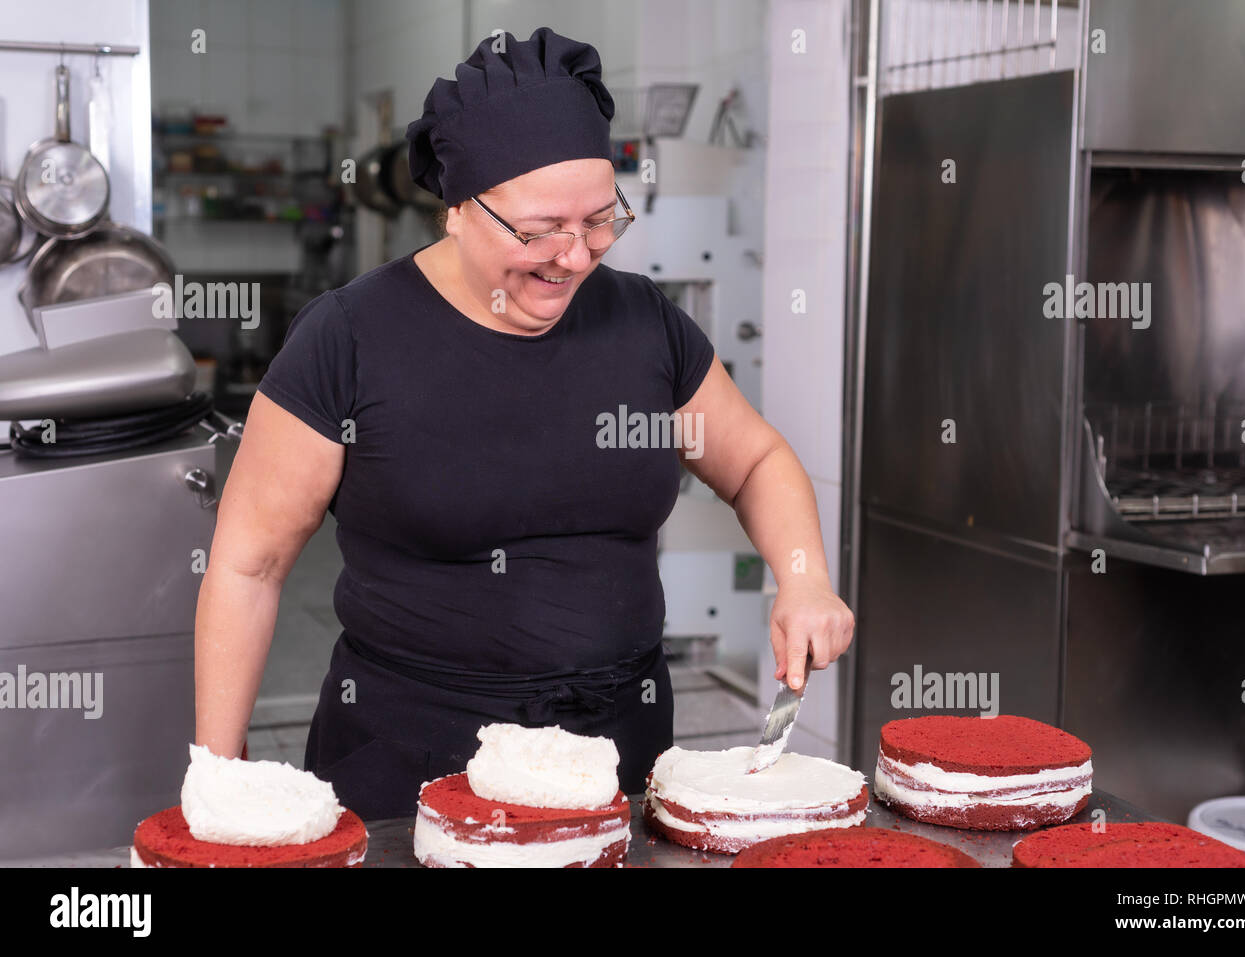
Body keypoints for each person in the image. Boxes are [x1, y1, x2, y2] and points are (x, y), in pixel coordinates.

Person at [194, 26, 854, 820]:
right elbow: (249, 565)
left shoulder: (643, 322)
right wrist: (220, 773)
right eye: (539, 230)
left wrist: (804, 575)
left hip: (618, 753)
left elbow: (754, 461)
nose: (574, 257)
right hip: (410, 765)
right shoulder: (349, 338)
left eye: (600, 221)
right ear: (458, 208)